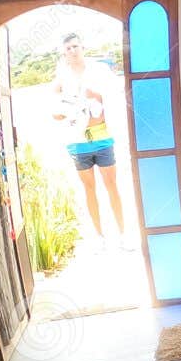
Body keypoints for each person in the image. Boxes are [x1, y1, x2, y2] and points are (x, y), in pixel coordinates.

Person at [51, 32, 131, 252]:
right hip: (77, 140)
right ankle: (99, 237)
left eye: (75, 46)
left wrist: (96, 96)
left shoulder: (99, 71)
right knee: (89, 189)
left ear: (82, 47)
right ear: (64, 53)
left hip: (102, 136)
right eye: (68, 48)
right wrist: (66, 111)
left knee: (112, 185)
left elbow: (117, 93)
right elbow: (54, 112)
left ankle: (124, 234)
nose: (72, 51)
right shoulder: (61, 78)